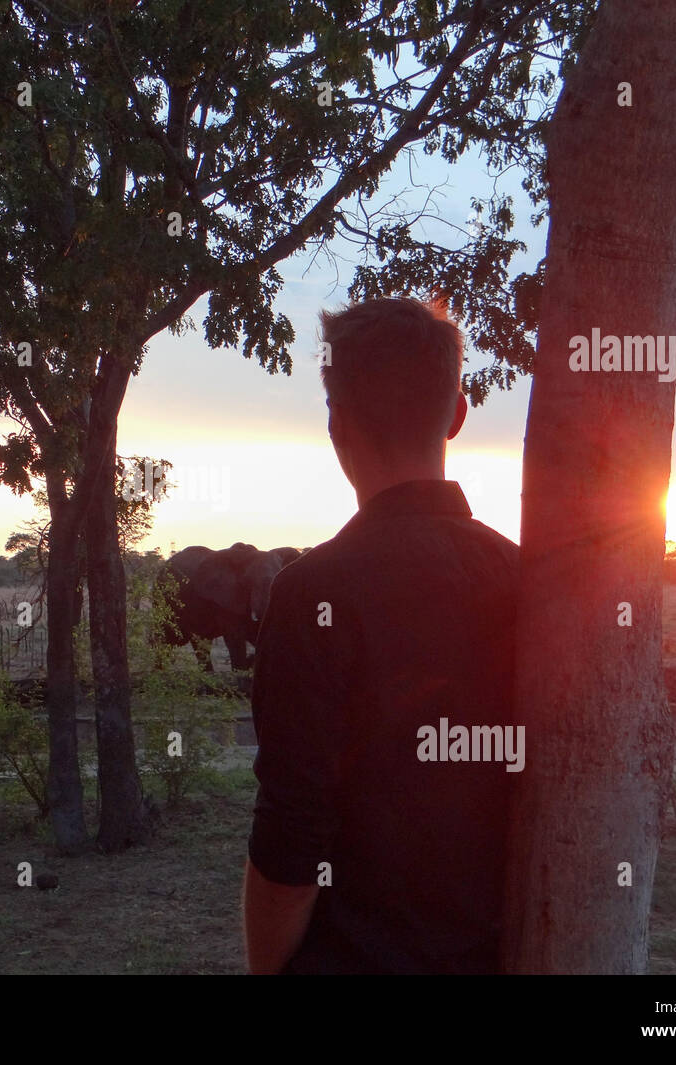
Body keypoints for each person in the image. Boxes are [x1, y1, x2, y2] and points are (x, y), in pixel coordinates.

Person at [242, 297, 520, 974]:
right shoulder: (526, 582)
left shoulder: (310, 594)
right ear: (456, 414)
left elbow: (291, 843)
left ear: (336, 424)